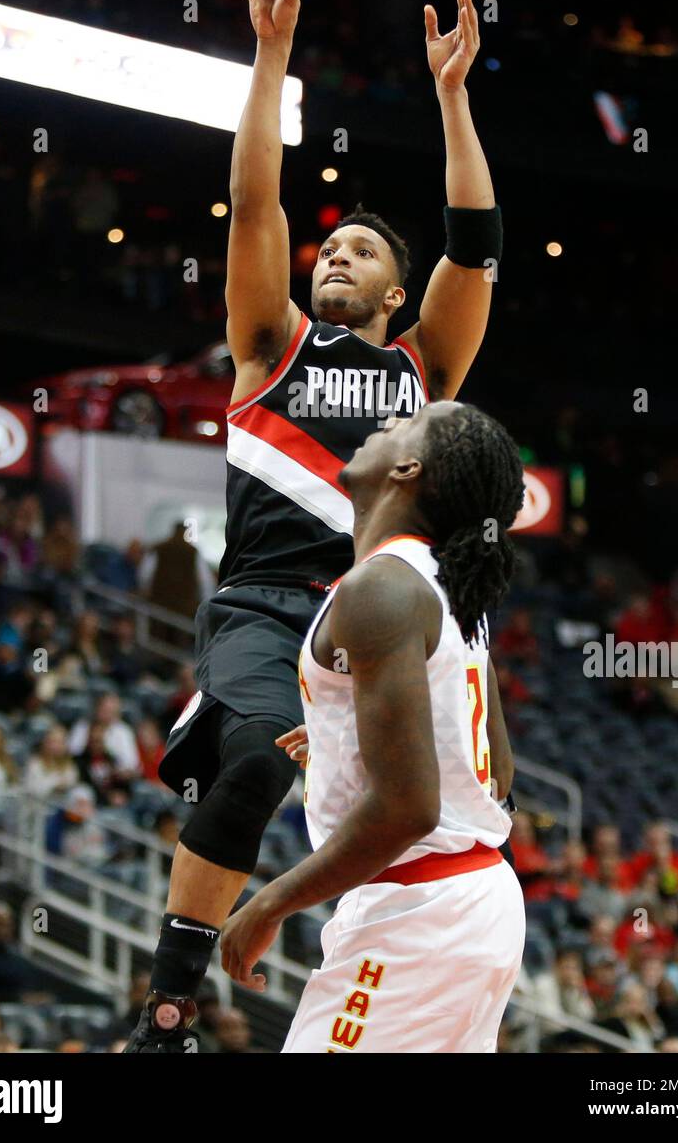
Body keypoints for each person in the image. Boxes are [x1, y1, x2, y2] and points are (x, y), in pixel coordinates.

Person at [125, 0, 508, 1050]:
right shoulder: (268, 344)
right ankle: (166, 1008)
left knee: (408, 822)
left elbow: (475, 248)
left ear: (397, 291)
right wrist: (271, 49)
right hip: (264, 604)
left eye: (357, 251)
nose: (331, 256)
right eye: (326, 246)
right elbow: (252, 203)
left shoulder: (421, 369)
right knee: (249, 762)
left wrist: (451, 98)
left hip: (382, 617)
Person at [219, 401, 526, 1053]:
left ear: (409, 468)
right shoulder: (444, 585)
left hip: (420, 911)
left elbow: (408, 809)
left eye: (399, 428)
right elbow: (497, 772)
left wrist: (268, 904)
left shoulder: (381, 589)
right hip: (476, 900)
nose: (381, 426)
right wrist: (344, 739)